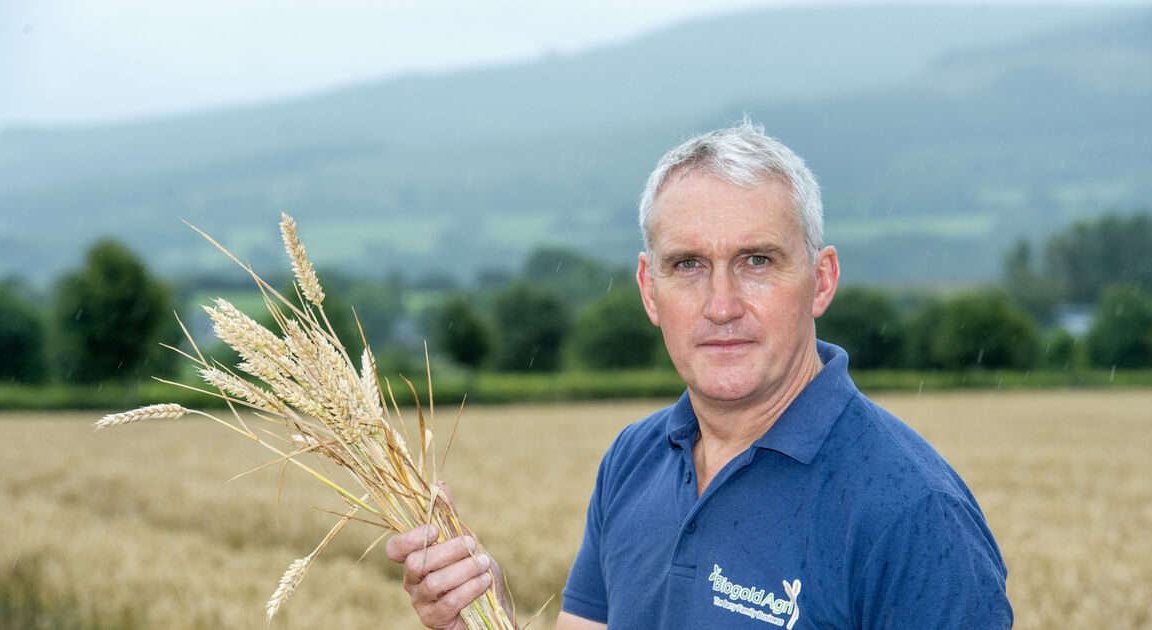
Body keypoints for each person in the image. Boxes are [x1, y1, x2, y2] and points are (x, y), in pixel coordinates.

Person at [386, 121, 1013, 629]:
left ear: (820, 281)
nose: (721, 305)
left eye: (757, 260)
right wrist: (482, 619)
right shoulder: (632, 461)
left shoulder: (913, 511)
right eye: (687, 265)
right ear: (648, 291)